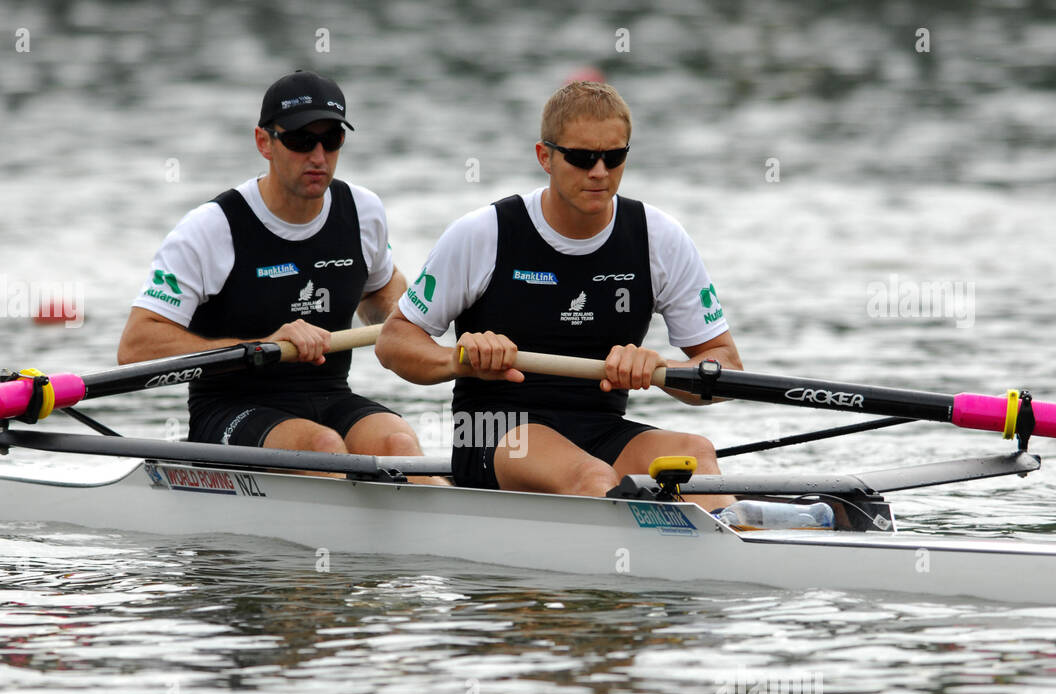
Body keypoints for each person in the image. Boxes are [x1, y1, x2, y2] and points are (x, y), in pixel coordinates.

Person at [375, 81, 741, 509]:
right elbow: (393, 341)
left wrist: (666, 368)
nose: (600, 172)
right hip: (494, 431)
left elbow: (725, 364)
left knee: (696, 454)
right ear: (544, 156)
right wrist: (459, 356)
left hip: (600, 429)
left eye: (614, 157)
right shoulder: (484, 233)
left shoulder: (659, 237)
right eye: (583, 158)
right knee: (591, 477)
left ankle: (739, 545)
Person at [118, 70, 439, 479]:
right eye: (301, 141)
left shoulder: (364, 211)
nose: (319, 157)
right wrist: (261, 345)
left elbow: (381, 290)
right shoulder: (212, 228)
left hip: (329, 395)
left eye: (332, 139)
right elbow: (135, 345)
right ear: (264, 143)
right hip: (231, 410)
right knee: (323, 449)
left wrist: (403, 318)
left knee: (399, 446)